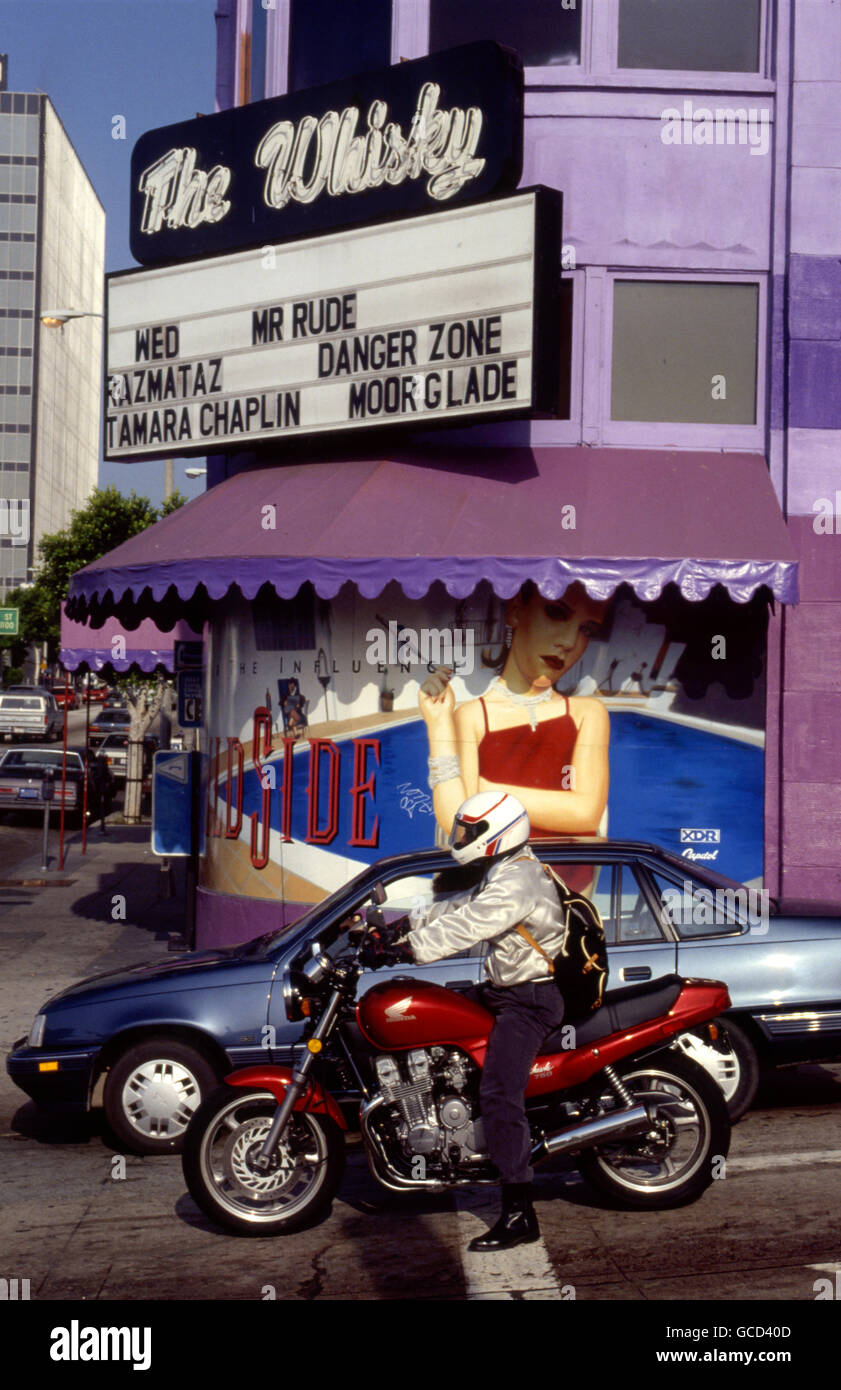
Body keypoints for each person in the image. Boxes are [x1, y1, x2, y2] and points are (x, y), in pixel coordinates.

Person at [365, 790, 567, 1252]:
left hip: (528, 1001)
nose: (461, 838)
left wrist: (407, 950)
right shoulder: (508, 871)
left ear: (497, 833)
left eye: (469, 831)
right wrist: (402, 926)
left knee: (499, 1092)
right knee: (437, 1022)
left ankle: (519, 1212)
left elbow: (471, 922)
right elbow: (458, 906)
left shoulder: (520, 880)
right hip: (505, 992)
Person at [419, 581, 611, 894]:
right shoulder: (470, 716)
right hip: (495, 895)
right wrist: (439, 725)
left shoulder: (588, 713)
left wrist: (483, 791)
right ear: (516, 611)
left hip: (567, 895)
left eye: (586, 629)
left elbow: (585, 812)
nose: (569, 642)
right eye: (556, 613)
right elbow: (456, 820)